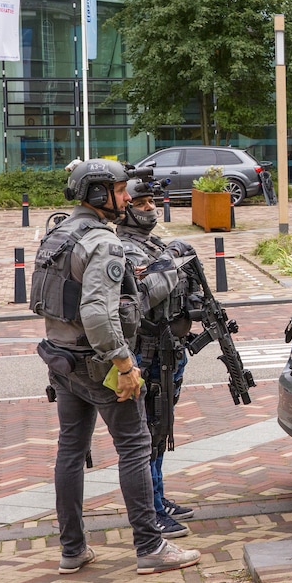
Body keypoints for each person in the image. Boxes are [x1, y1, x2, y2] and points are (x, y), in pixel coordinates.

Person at [29, 159, 200, 575]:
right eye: (121, 191)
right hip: (98, 362)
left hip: (60, 358)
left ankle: (72, 550)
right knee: (135, 447)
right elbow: (98, 314)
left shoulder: (57, 234)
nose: (127, 198)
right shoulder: (102, 242)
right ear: (98, 194)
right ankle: (150, 546)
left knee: (70, 451)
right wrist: (124, 363)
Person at [116, 177, 196, 539]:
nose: (149, 208)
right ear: (125, 207)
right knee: (147, 433)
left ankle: (159, 498)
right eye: (141, 202)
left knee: (161, 429)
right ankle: (150, 510)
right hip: (146, 356)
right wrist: (172, 260)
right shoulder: (122, 248)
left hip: (168, 352)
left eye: (152, 202)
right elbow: (147, 294)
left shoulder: (152, 244)